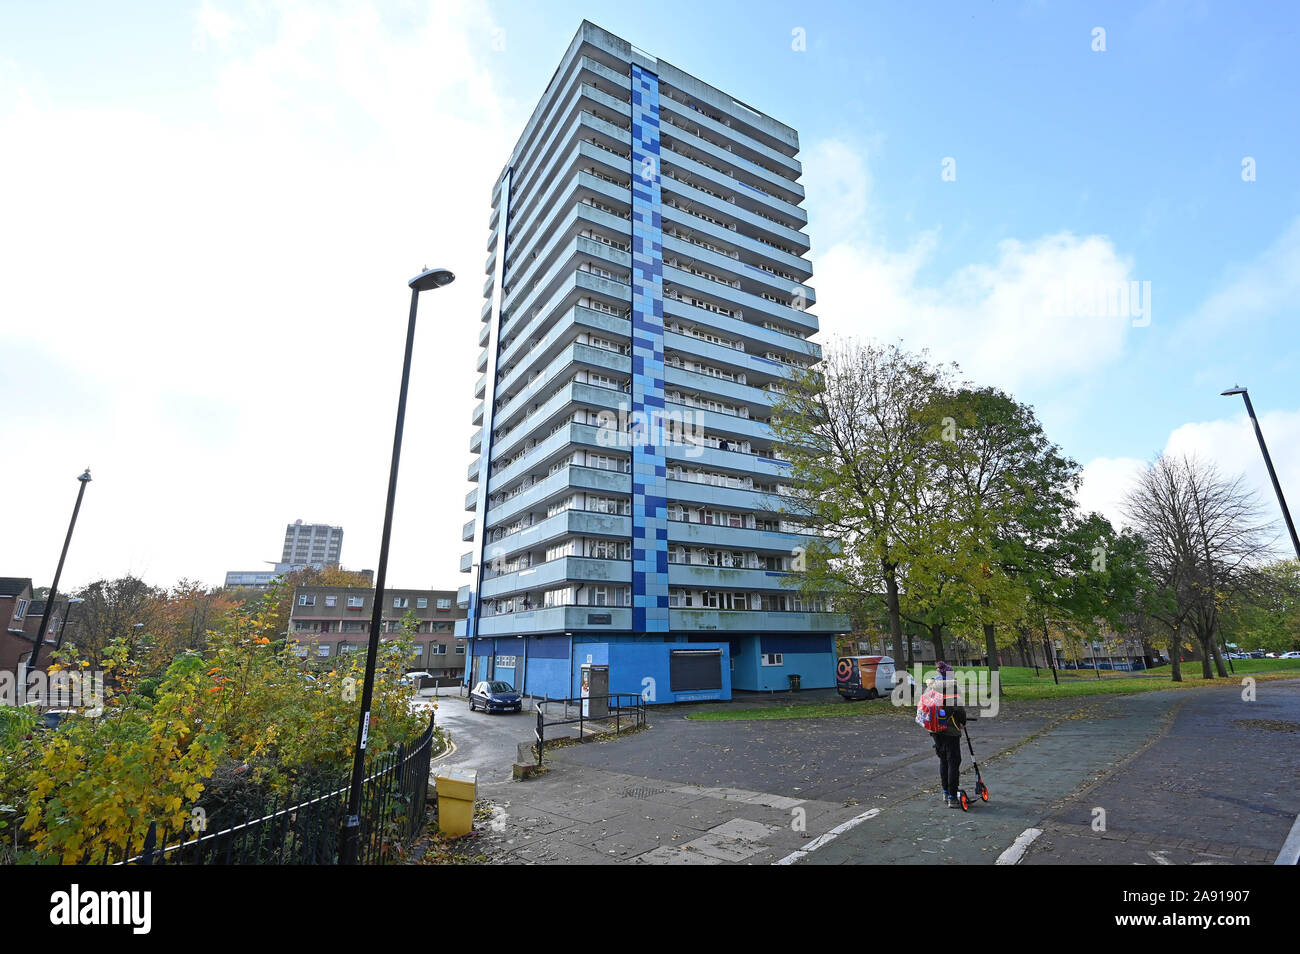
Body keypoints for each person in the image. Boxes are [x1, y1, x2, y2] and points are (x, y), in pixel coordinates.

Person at [919, 661, 967, 808]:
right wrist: (962, 722)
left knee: (943, 761)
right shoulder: (952, 687)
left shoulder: (931, 686)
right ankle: (953, 797)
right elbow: (958, 709)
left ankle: (946, 792)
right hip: (950, 730)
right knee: (954, 761)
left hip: (934, 730)